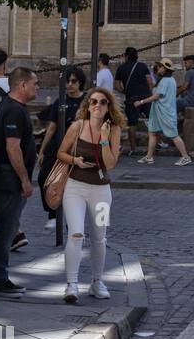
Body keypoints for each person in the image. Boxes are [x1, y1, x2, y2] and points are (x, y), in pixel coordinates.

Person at [56, 86, 124, 303]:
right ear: (87, 105)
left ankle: (97, 281)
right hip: (75, 187)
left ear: (108, 107)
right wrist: (75, 161)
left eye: (102, 102)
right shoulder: (77, 126)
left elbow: (111, 163)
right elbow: (61, 153)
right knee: (76, 233)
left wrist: (104, 138)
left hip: (102, 191)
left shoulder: (113, 130)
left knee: (99, 238)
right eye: (93, 101)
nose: (97, 105)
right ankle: (71, 284)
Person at [0, 67, 38, 297]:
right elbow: (12, 147)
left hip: (5, 174)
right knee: (6, 229)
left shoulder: (6, 107)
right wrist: (25, 180)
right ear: (22, 85)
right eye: (35, 84)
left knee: (4, 228)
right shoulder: (15, 110)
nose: (36, 88)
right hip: (10, 177)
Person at [37, 66, 87, 228]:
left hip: (76, 148)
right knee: (43, 177)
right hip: (56, 145)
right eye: (67, 81)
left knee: (72, 184)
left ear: (80, 82)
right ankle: (52, 213)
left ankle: (71, 218)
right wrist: (42, 150)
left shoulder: (87, 101)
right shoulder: (60, 100)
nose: (70, 84)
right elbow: (52, 127)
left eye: (73, 81)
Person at [135, 60, 192, 165]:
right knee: (152, 132)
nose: (158, 68)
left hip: (165, 112)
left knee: (173, 134)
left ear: (164, 68)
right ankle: (149, 157)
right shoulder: (169, 80)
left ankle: (186, 157)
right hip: (159, 111)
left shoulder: (165, 81)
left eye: (160, 67)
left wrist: (141, 102)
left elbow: (157, 96)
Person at [114, 47, 154, 156]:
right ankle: (155, 145)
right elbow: (150, 82)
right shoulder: (142, 66)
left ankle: (133, 149)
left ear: (125, 56)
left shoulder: (121, 68)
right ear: (137, 56)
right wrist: (149, 93)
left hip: (131, 99)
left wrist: (125, 91)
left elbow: (117, 85)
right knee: (152, 120)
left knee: (132, 123)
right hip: (145, 98)